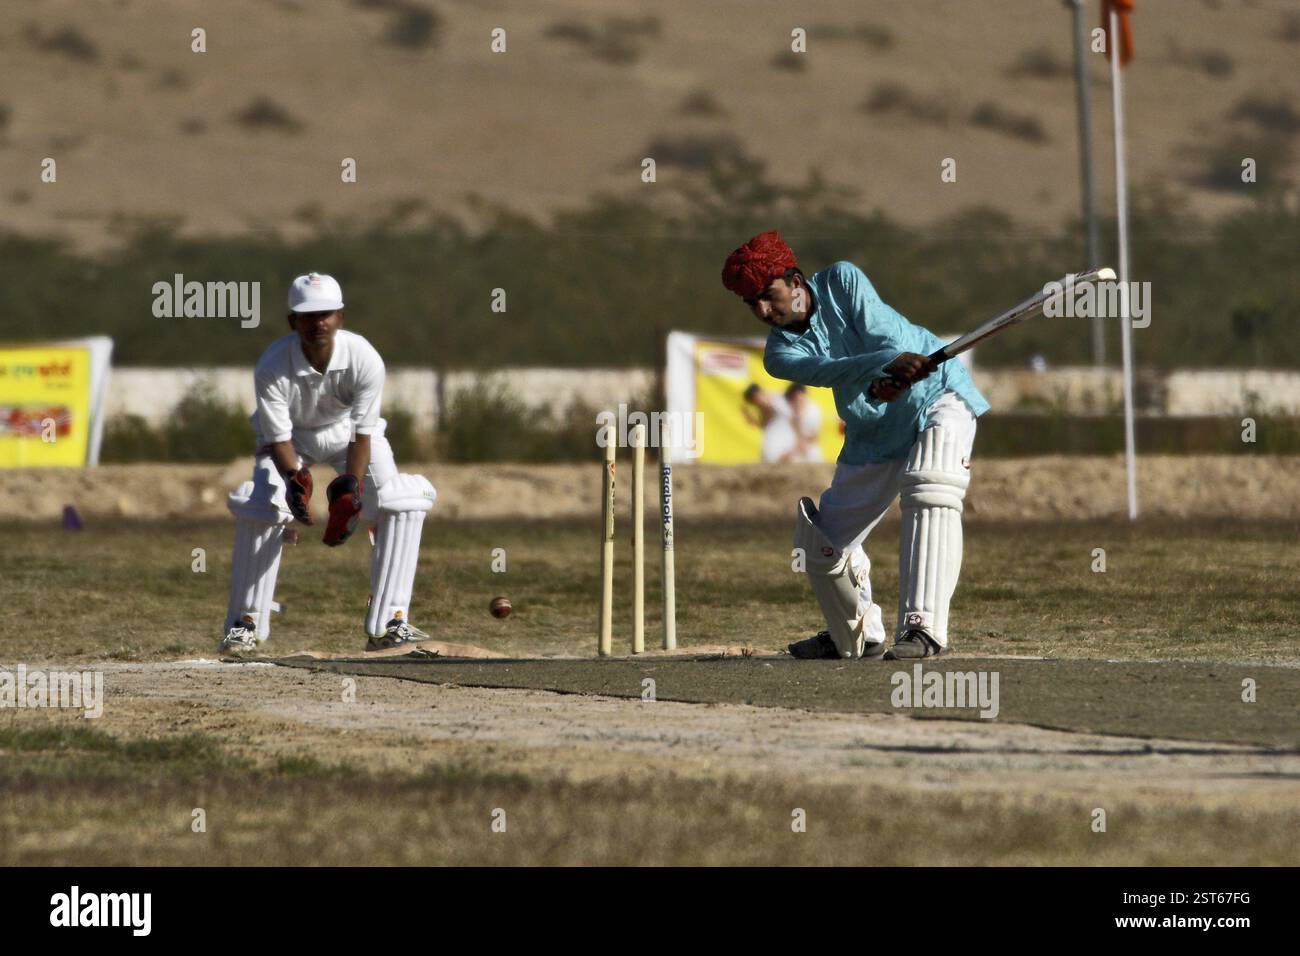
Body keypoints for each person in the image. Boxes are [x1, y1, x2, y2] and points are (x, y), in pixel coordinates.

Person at [721, 231, 990, 660]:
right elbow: (832, 370)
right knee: (822, 541)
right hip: (874, 430)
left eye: (767, 295)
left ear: (795, 281)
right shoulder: (779, 356)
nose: (762, 310)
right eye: (750, 303)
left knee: (930, 486)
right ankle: (858, 632)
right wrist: (883, 371)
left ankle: (922, 630)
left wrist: (895, 366)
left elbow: (882, 333)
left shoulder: (843, 280)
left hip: (937, 394)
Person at [218, 272, 437, 654]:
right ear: (293, 322)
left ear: (340, 317)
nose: (317, 322)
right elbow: (278, 437)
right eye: (307, 315)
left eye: (325, 314)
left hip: (346, 435)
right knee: (263, 505)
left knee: (398, 501)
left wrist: (350, 490)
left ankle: (390, 622)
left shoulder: (364, 357)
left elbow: (362, 433)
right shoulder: (273, 364)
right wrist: (294, 478)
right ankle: (245, 623)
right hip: (291, 441)